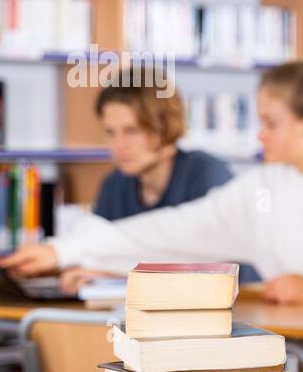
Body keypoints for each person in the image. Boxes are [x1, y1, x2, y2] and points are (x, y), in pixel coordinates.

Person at [2, 61, 303, 372]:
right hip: (296, 365)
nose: (259, 135)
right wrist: (63, 252)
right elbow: (170, 230)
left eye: (270, 123)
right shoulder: (262, 189)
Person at [61, 71, 259, 292]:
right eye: (110, 132)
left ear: (164, 126)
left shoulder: (206, 173)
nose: (118, 145)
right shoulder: (114, 184)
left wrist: (112, 273)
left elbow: (210, 267)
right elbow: (96, 252)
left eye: (132, 131)